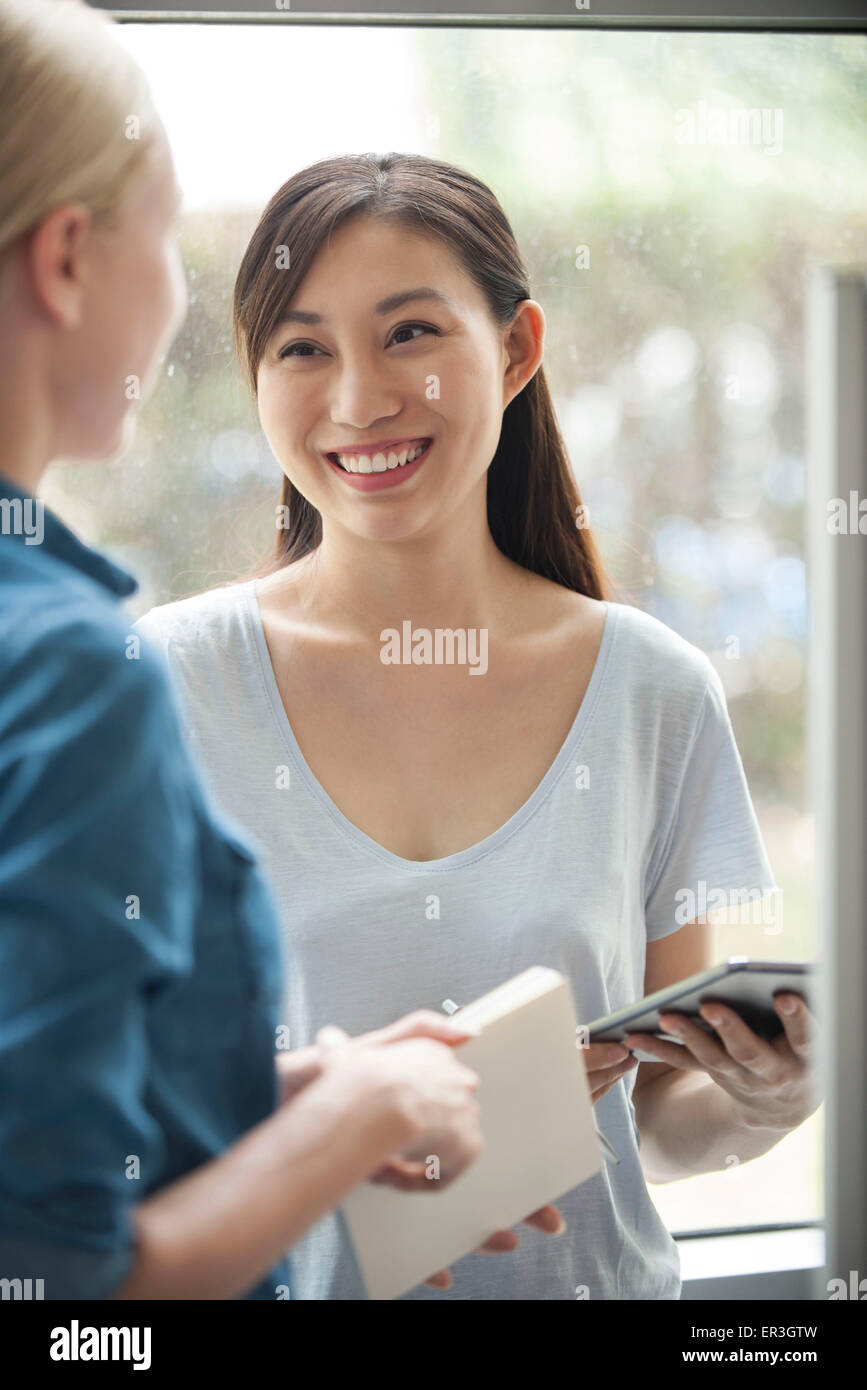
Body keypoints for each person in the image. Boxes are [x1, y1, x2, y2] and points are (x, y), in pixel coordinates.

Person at [136, 149, 822, 1300]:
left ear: (514, 351)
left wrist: (770, 1099)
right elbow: (96, 1109)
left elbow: (652, 1121)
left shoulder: (655, 691)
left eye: (410, 333)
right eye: (303, 347)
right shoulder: (162, 685)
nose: (359, 400)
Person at [0, 0, 563, 1302]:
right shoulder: (79, 673)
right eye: (170, 234)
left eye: (411, 330)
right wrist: (349, 1123)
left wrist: (302, 1096)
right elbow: (65, 1297)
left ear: (516, 350)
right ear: (71, 259)